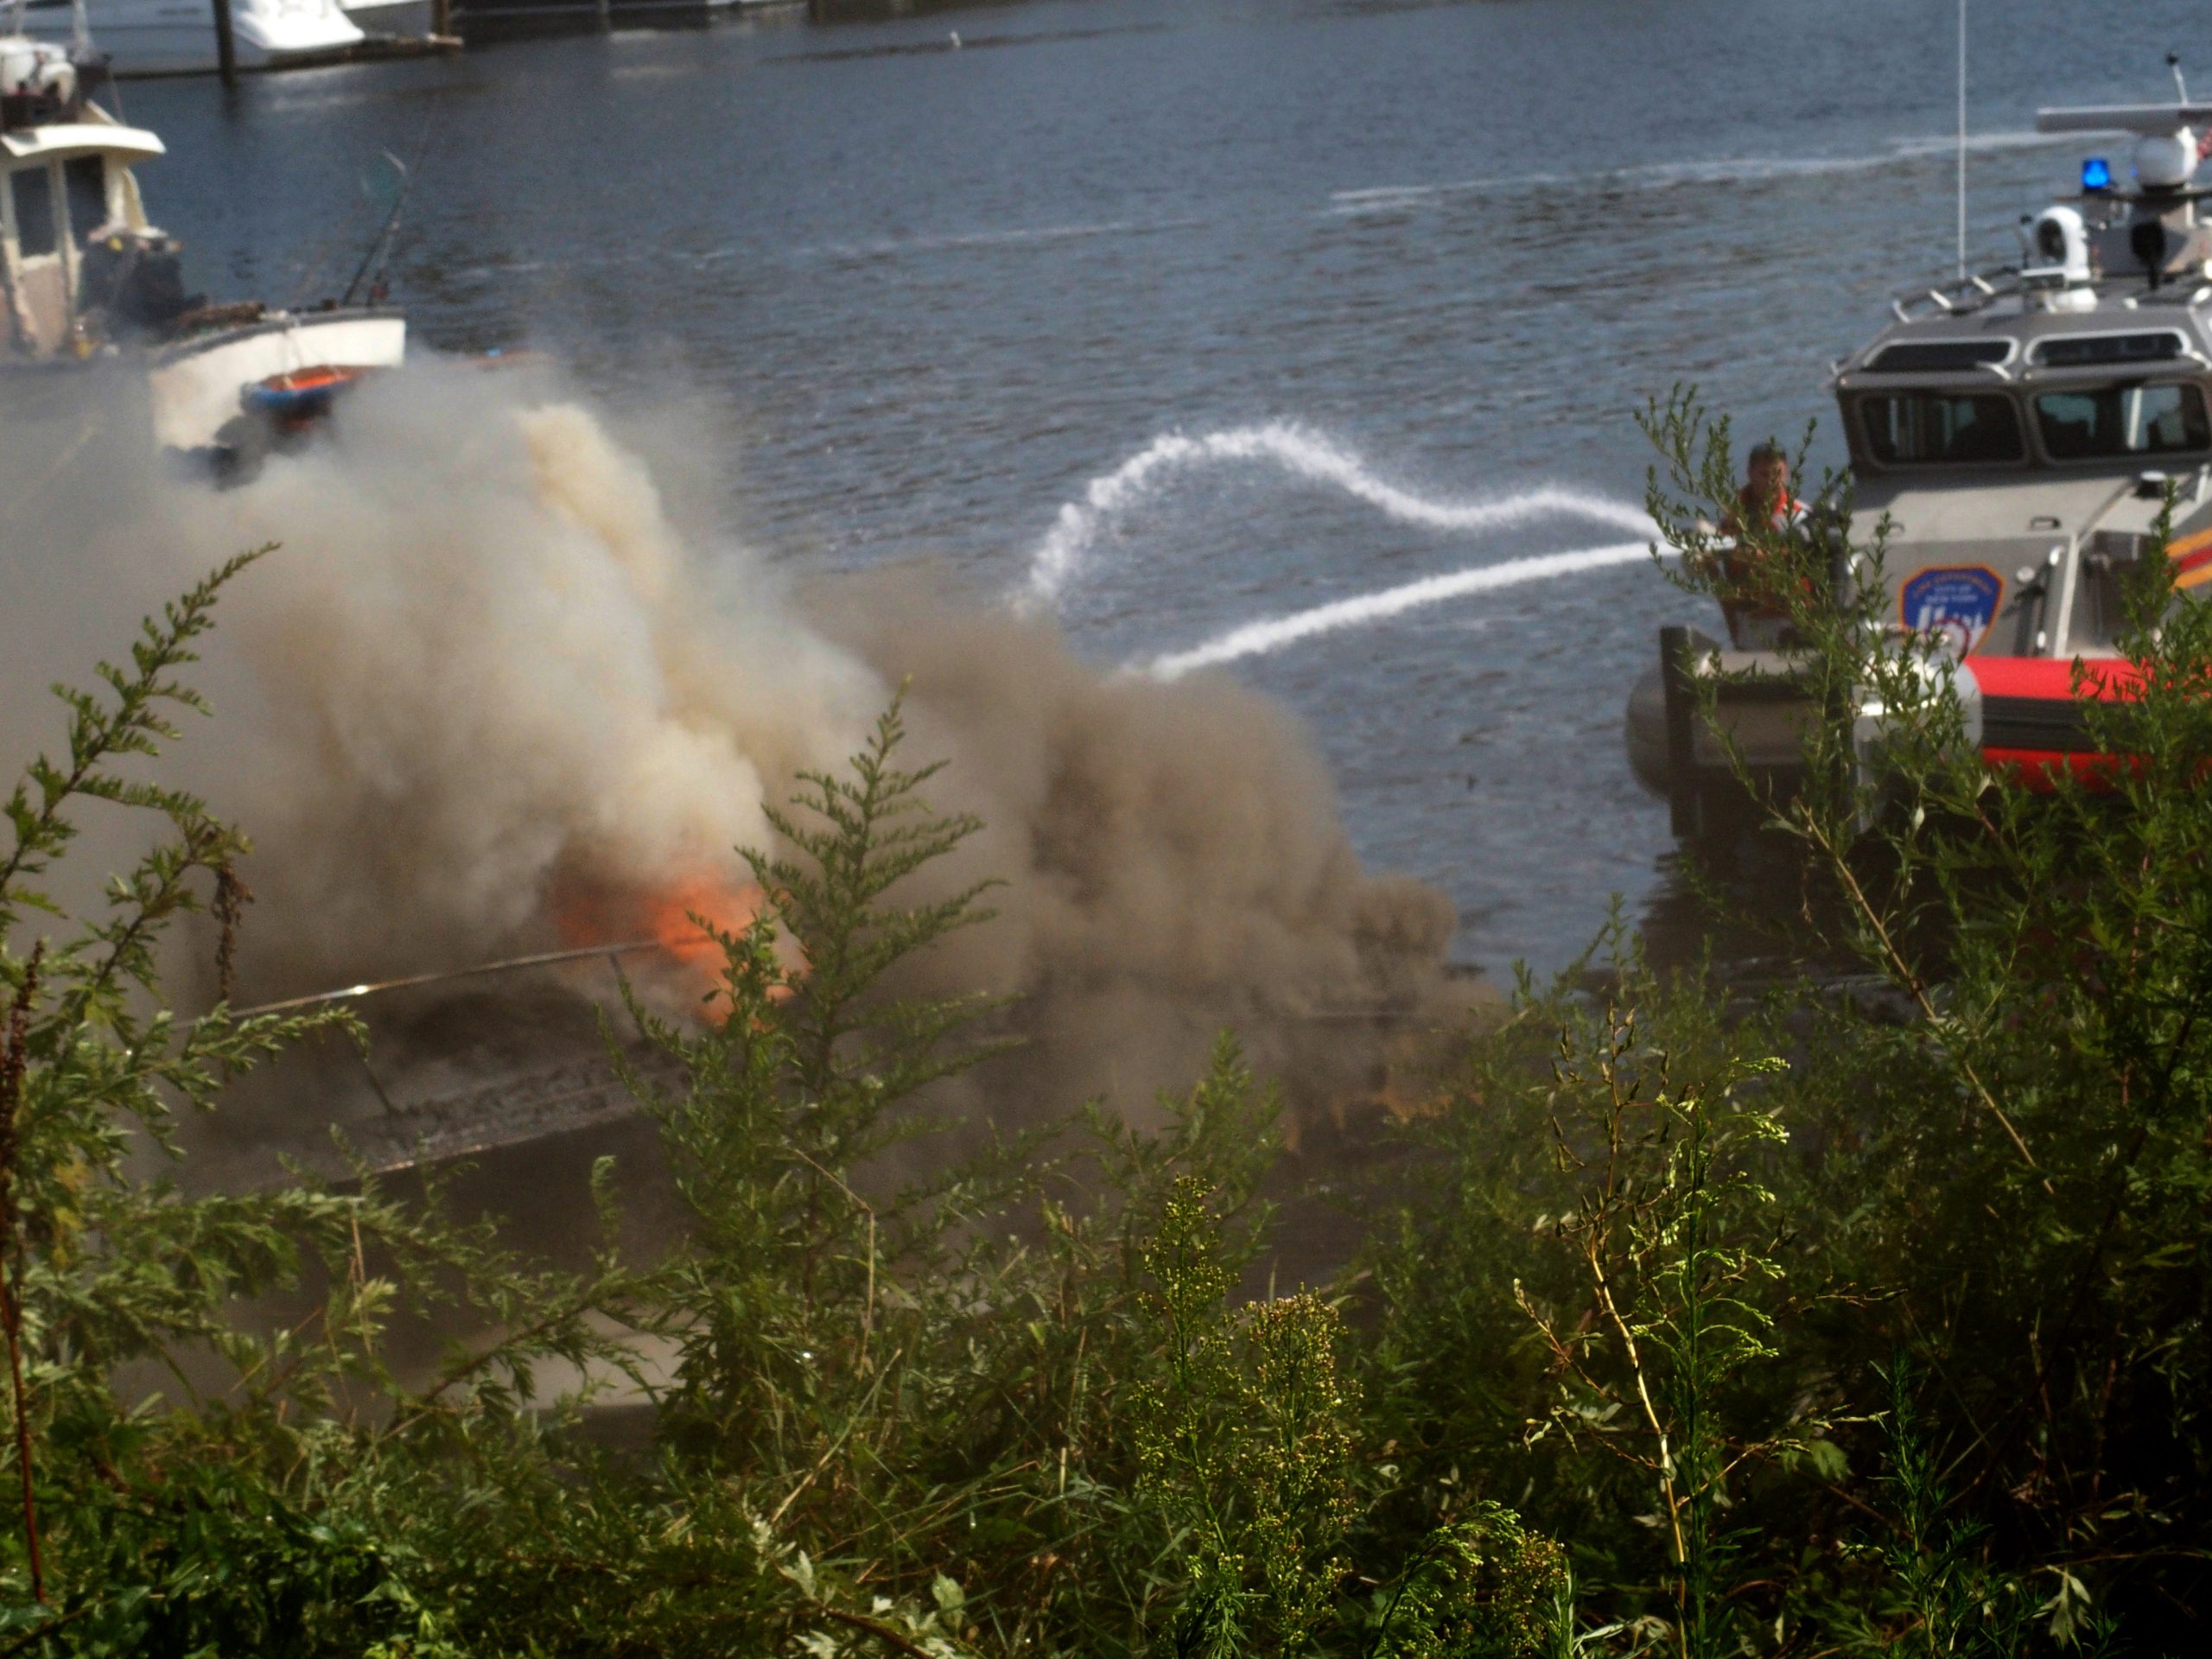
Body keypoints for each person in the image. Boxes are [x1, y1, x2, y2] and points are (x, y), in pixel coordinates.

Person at [1713, 442, 1808, 649]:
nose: (1772, 482)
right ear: (1750, 473)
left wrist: (1753, 555)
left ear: (1787, 473)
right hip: (1749, 624)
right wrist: (1734, 630)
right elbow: (1725, 583)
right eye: (1764, 475)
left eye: (1778, 474)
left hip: (1791, 622)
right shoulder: (1732, 520)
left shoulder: (1800, 517)